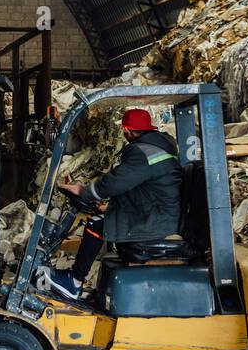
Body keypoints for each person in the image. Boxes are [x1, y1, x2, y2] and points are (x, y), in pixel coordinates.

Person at [44, 108, 182, 300]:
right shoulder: (157, 146)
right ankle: (85, 283)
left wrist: (84, 192)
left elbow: (116, 182)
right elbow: (139, 187)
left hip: (155, 221)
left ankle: (74, 282)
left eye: (124, 130)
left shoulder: (142, 151)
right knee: (102, 216)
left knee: (96, 222)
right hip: (156, 213)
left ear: (127, 130)